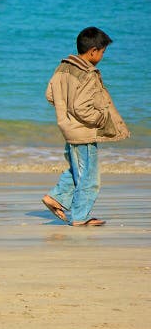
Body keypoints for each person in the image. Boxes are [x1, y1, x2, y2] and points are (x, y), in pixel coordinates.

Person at [42, 26, 129, 226]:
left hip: (68, 129)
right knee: (89, 177)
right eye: (103, 52)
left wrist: (65, 112)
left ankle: (55, 197)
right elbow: (81, 107)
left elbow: (50, 95)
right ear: (93, 52)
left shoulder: (63, 68)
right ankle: (80, 217)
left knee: (78, 170)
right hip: (84, 132)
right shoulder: (87, 74)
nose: (102, 56)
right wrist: (99, 118)